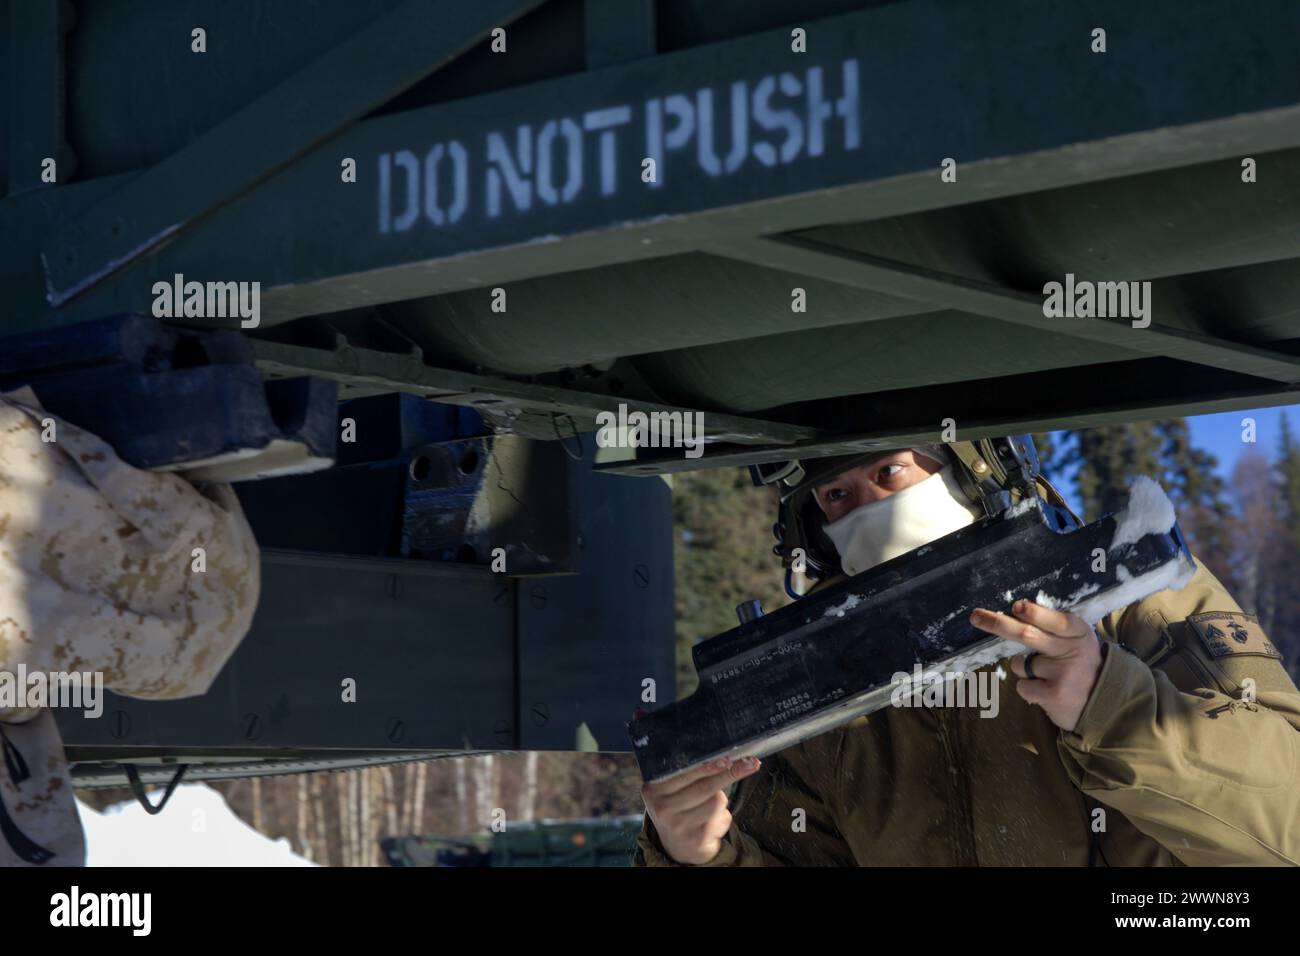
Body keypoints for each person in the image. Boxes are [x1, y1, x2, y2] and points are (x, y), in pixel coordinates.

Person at [635, 438, 1300, 866]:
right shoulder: (823, 691)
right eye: (838, 496)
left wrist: (1109, 702)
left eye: (890, 471)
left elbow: (1284, 822)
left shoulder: (1123, 590)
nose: (868, 512)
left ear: (967, 466)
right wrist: (697, 855)